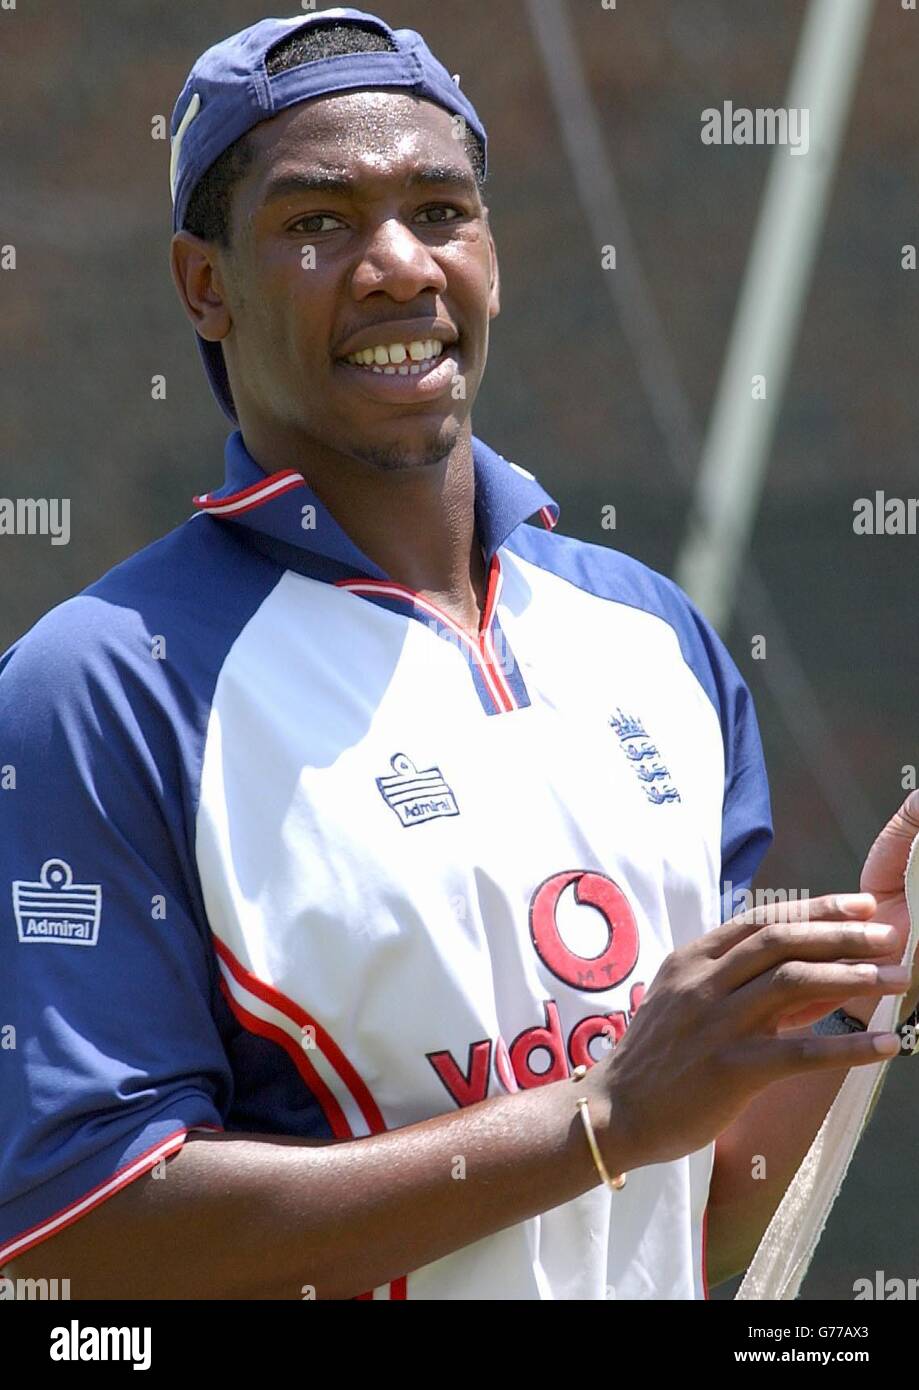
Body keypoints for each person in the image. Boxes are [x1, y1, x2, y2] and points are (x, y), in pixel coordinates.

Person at [1, 9, 915, 1301]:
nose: (394, 265)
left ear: (489, 253)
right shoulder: (99, 685)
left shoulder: (654, 635)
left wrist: (870, 979)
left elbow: (681, 1217)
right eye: (317, 221)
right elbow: (79, 1237)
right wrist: (600, 1115)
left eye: (439, 211)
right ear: (205, 284)